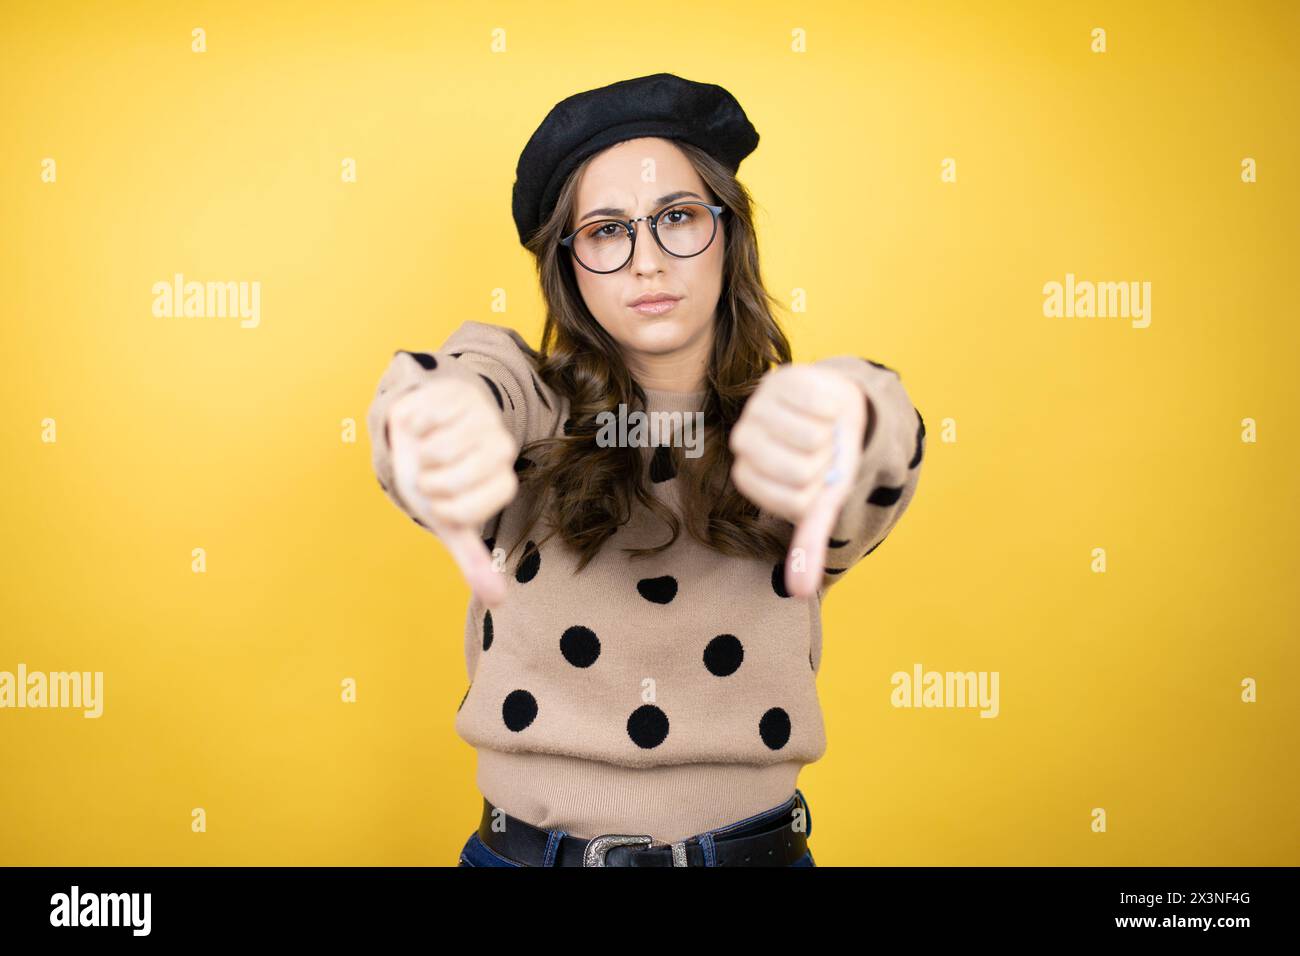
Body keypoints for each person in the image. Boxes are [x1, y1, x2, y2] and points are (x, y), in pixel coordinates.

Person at [366, 73, 925, 867]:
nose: (648, 261)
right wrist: (435, 423)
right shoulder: (530, 404)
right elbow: (459, 384)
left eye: (677, 218)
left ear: (728, 231)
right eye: (606, 230)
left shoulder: (787, 426)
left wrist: (861, 416)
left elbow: (877, 441)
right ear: (571, 263)